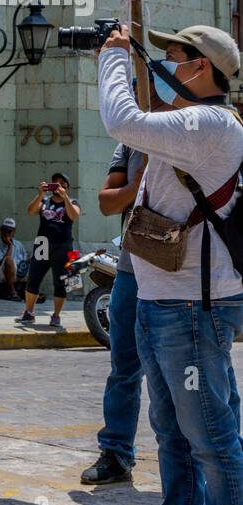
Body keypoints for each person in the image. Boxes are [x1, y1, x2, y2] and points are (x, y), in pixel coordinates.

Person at [100, 23, 243, 505]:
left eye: (174, 58)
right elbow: (144, 116)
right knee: (172, 430)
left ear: (199, 67)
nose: (167, 66)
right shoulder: (190, 120)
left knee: (209, 435)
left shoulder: (207, 122)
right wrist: (133, 39)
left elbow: (122, 118)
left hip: (191, 305)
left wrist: (112, 56)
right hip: (163, 297)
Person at [82, 139, 149, 486]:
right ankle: (117, 453)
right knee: (124, 368)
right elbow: (107, 202)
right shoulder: (131, 142)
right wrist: (135, 187)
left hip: (182, 276)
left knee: (183, 376)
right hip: (131, 270)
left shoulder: (194, 125)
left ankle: (199, 463)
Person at [17, 172, 81, 327]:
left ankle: (56, 315)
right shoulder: (44, 201)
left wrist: (65, 198)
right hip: (42, 244)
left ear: (67, 186)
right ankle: (29, 312)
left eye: (61, 183)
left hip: (63, 246)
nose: (57, 185)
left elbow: (74, 216)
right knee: (33, 278)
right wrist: (40, 194)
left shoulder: (72, 201)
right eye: (55, 183)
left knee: (61, 282)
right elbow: (30, 211)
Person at [0, 218, 28, 300]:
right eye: (5, 230)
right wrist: (10, 246)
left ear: (13, 232)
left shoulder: (19, 245)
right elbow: (2, 264)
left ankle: (29, 292)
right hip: (4, 274)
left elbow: (24, 262)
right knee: (8, 260)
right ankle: (12, 291)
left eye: (10, 231)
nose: (7, 233)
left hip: (19, 273)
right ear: (0, 231)